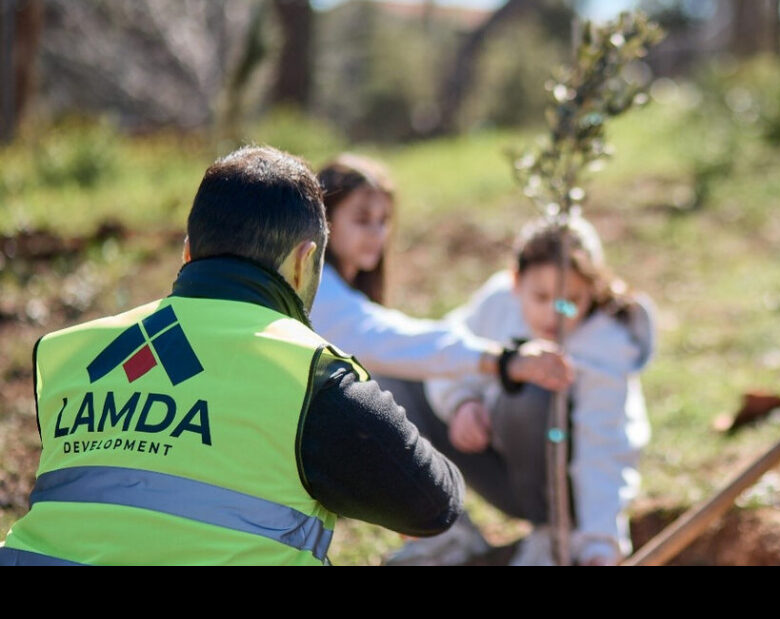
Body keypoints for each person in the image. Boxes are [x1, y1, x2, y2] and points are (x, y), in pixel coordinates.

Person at [0, 145, 464, 566]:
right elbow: (432, 505)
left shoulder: (72, 350)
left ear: (187, 253)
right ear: (304, 262)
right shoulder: (308, 375)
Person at [386, 216, 655, 566]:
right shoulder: (498, 302)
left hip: (566, 487)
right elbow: (446, 352)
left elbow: (602, 446)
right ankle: (445, 532)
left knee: (530, 391)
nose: (556, 314)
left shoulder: (606, 346)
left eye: (572, 298)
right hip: (501, 468)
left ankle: (554, 531)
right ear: (516, 282)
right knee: (394, 372)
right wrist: (461, 402)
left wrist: (600, 542)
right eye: (541, 296)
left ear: (593, 288)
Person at [309, 154, 572, 391]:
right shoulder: (319, 290)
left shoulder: (342, 288)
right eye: (362, 220)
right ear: (326, 219)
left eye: (384, 220)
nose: (377, 234)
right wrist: (501, 359)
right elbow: (388, 339)